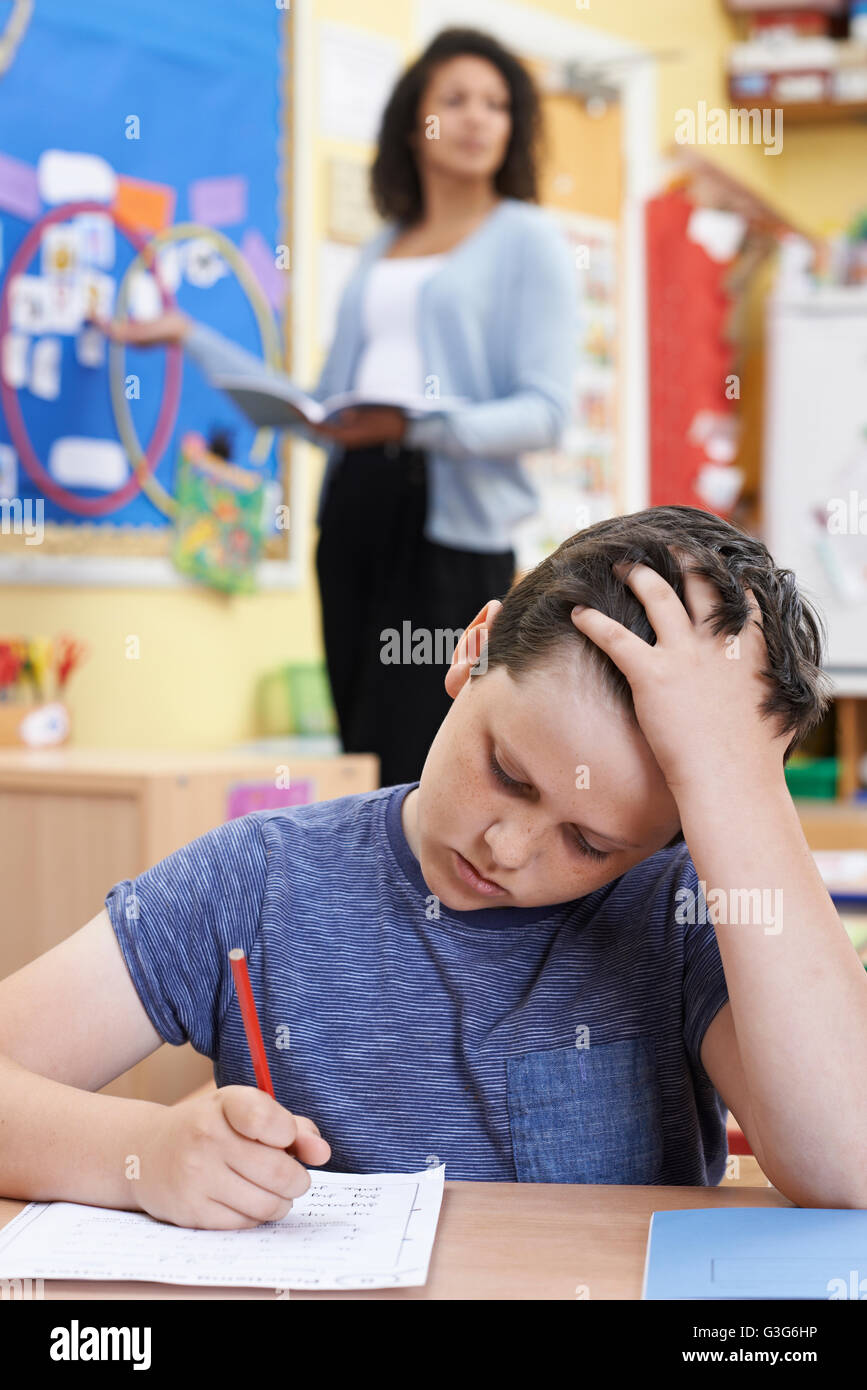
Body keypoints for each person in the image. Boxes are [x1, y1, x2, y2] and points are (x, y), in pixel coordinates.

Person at [4, 505, 867, 1228]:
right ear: (472, 649)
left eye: (590, 844)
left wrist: (736, 790)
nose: (507, 849)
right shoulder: (257, 883)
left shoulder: (681, 910)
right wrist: (140, 1154)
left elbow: (849, 1163)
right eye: (507, 773)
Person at [98, 27, 577, 786]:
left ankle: (436, 909)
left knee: (433, 753)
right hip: (356, 504)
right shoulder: (383, 245)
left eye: (496, 104)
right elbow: (320, 409)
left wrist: (416, 425)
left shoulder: (527, 242)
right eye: (453, 100)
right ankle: (376, 909)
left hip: (448, 526)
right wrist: (191, 336)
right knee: (364, 752)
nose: (477, 118)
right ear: (412, 123)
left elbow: (546, 412)